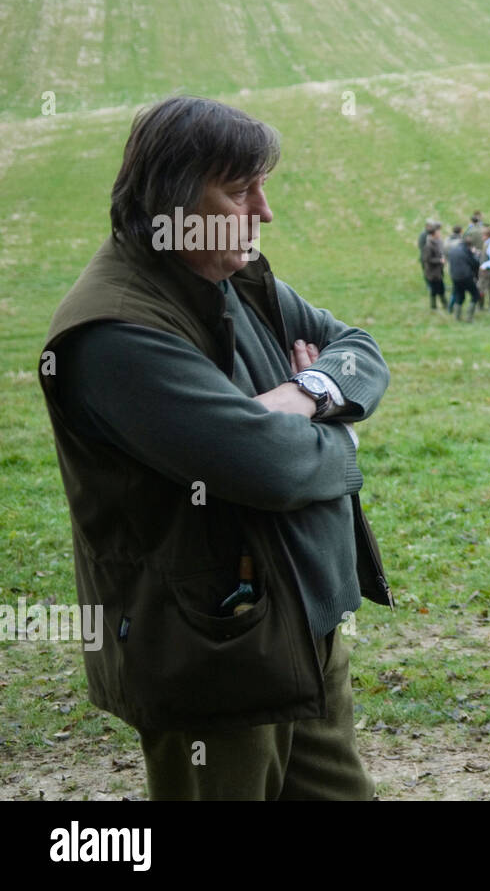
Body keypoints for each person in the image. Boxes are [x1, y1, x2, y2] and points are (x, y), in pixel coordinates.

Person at [38, 95, 393, 800]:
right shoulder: (116, 335)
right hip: (214, 653)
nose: (264, 212)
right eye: (239, 190)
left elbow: (363, 350)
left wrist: (307, 393)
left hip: (301, 629)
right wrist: (342, 435)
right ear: (171, 200)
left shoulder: (239, 278)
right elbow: (268, 466)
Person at [445, 225, 482, 322]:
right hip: (466, 277)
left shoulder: (453, 250)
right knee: (475, 295)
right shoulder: (466, 251)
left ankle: (457, 317)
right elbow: (475, 264)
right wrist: (475, 255)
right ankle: (469, 318)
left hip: (455, 277)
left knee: (459, 295)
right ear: (469, 245)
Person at [420, 221, 447, 311]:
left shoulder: (436, 242)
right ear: (433, 234)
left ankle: (442, 305)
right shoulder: (428, 245)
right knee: (435, 290)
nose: (439, 233)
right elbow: (427, 259)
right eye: (438, 232)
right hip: (432, 272)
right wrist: (440, 260)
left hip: (437, 271)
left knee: (440, 288)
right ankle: (435, 306)